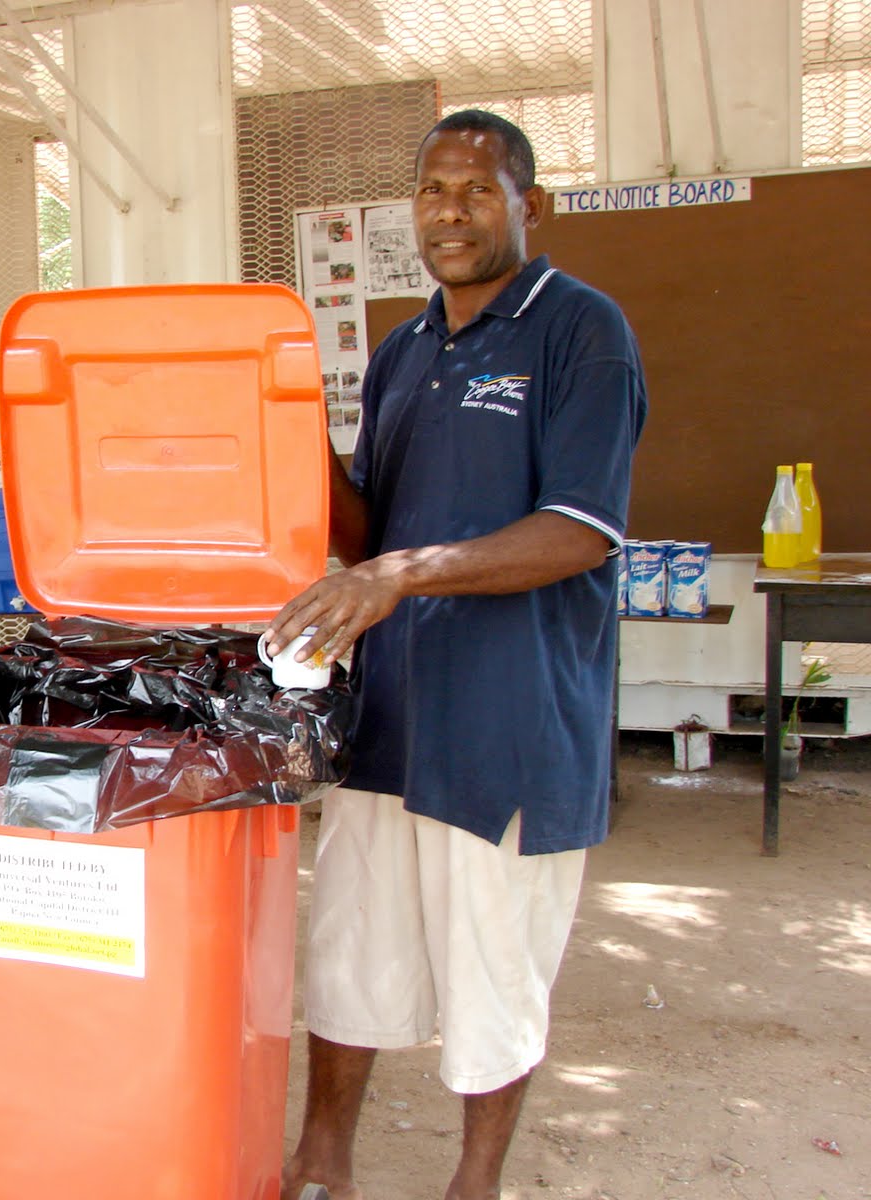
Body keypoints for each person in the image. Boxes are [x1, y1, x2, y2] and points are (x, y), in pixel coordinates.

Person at [270, 110, 647, 1200]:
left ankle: (472, 1182)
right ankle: (320, 1157)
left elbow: (578, 529)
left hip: (510, 721)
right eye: (432, 191)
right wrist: (282, 439)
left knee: (494, 968)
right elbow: (366, 526)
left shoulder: (581, 331)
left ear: (531, 205)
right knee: (350, 949)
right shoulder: (403, 348)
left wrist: (393, 577)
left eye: (478, 190)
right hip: (391, 714)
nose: (450, 210)